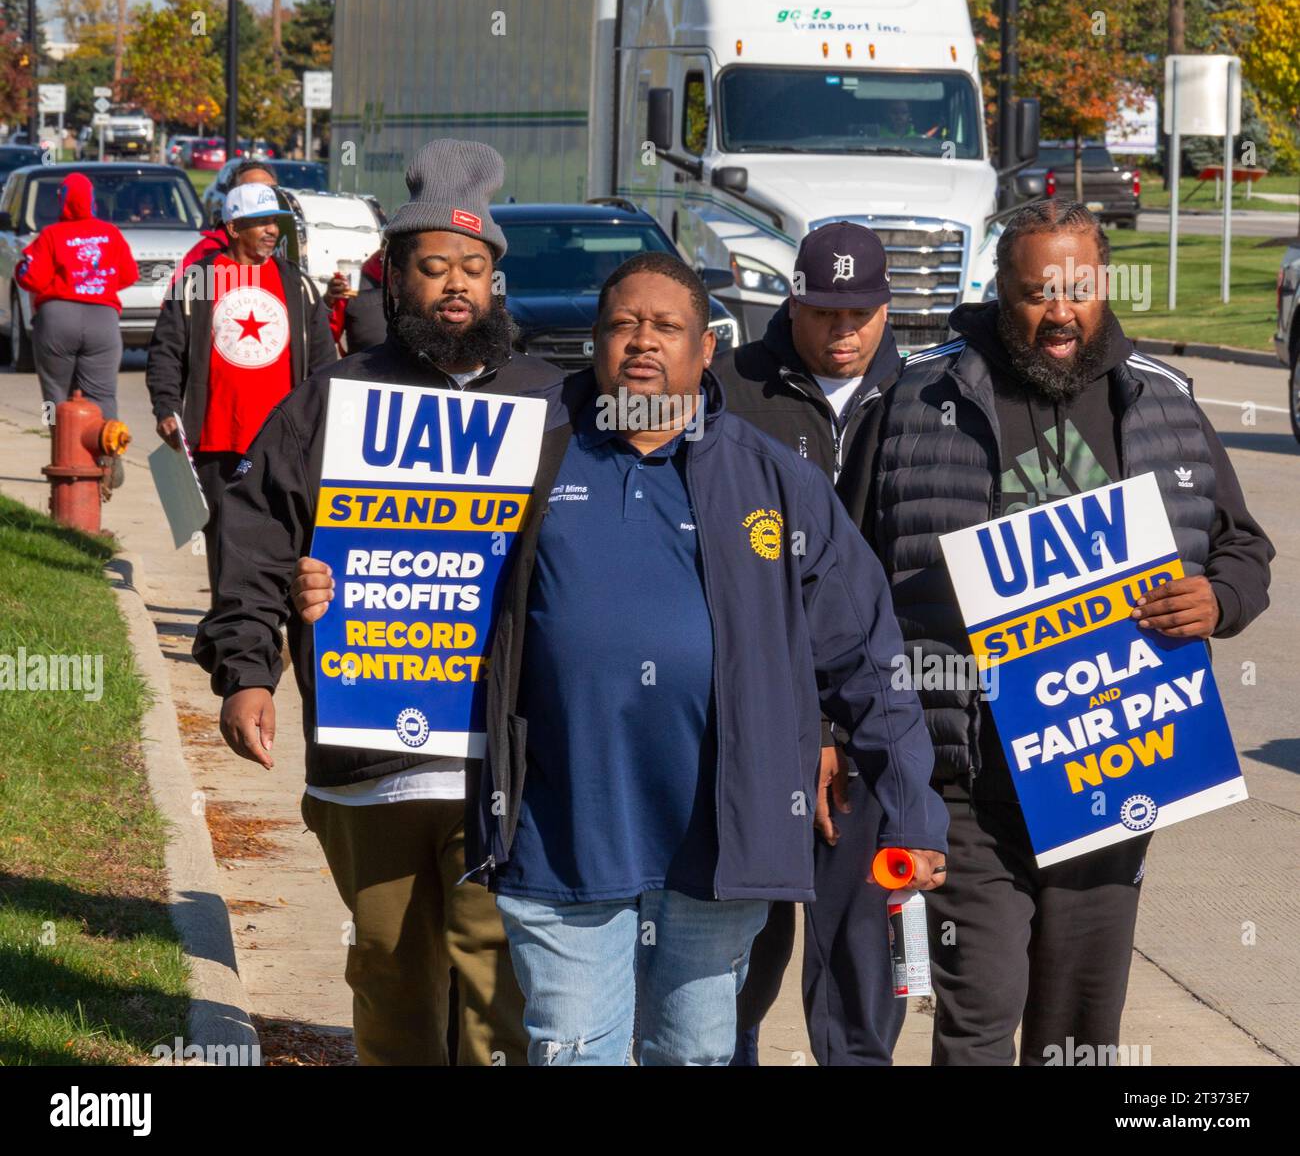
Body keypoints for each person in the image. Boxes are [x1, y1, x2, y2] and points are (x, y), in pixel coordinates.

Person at [294, 250, 948, 1066]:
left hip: (721, 836)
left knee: (694, 1049)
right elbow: (414, 570)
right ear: (594, 344)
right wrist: (339, 590)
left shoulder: (773, 480)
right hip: (562, 827)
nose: (642, 342)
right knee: (571, 1049)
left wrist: (912, 809)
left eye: (666, 327)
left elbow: (866, 656)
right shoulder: (520, 454)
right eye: (621, 325)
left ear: (706, 348)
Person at [858, 197, 1273, 1066]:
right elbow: (842, 581)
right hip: (964, 770)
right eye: (1039, 290)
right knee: (977, 1016)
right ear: (999, 292)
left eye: (1080, 289)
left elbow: (1242, 546)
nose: (1061, 311)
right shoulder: (912, 402)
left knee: (1082, 1032)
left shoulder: (1159, 400)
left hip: (1111, 763)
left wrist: (1218, 601)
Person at [193, 140, 564, 1066]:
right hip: (369, 761)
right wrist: (250, 665)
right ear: (394, 278)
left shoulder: (553, 403)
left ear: (496, 282)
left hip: (504, 757)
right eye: (433, 266)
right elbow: (256, 536)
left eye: (474, 269)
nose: (455, 287)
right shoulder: (335, 399)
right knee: (393, 980)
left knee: (496, 990)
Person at [711, 220, 907, 1066]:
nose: (843, 330)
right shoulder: (727, 389)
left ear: (888, 307)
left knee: (862, 971)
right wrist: (806, 734)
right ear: (792, 301)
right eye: (824, 310)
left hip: (878, 719)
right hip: (754, 724)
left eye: (860, 311)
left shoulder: (924, 396)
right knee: (735, 961)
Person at [147, 181, 335, 593]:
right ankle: (229, 631)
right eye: (260, 222)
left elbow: (323, 361)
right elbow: (166, 350)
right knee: (222, 541)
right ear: (233, 229)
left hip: (282, 443)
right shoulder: (199, 280)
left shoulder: (296, 284)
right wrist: (165, 407)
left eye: (275, 222)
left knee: (281, 537)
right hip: (216, 440)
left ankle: (271, 626)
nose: (271, 230)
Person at [16, 171, 138, 432]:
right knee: (103, 394)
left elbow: (32, 279)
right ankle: (107, 457)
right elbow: (130, 274)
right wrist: (96, 286)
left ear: (62, 201)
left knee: (55, 394)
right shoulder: (110, 234)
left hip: (56, 319)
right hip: (102, 320)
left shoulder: (51, 235)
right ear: (93, 201)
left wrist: (22, 268)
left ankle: (60, 452)